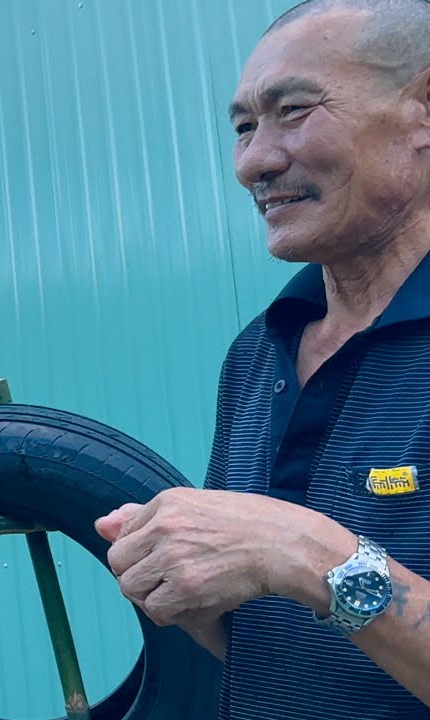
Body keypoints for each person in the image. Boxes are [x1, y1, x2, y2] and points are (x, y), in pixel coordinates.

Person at [94, 0, 430, 717]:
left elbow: (306, 565)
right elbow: (287, 651)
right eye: (244, 126)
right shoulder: (260, 352)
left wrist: (304, 551)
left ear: (422, 111)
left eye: (294, 111)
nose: (254, 161)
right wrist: (187, 586)